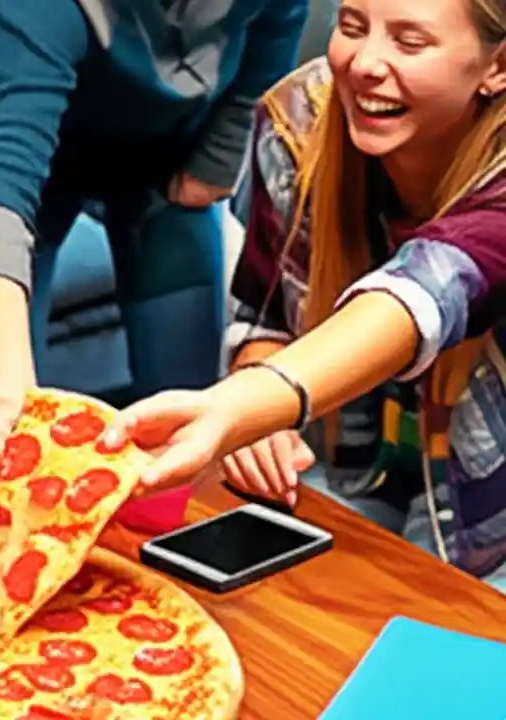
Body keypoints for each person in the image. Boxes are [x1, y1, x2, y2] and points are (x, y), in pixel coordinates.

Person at [102, 0, 506, 589]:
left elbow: (426, 290)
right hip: (348, 478)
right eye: (351, 27)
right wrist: (259, 407)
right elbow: (263, 314)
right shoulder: (301, 119)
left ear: (498, 66)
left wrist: (242, 403)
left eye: (409, 42)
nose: (364, 63)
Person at [0, 0, 311, 497]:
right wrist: (5, 397)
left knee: (189, 398)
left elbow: (266, 58)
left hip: (164, 157)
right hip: (27, 151)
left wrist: (213, 166)